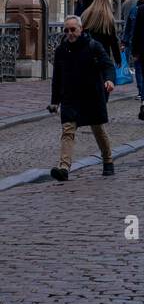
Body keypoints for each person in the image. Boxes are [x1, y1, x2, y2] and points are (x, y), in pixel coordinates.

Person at [47, 15, 116, 180]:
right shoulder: (61, 50)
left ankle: (108, 160)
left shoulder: (93, 46)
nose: (69, 33)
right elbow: (57, 78)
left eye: (73, 29)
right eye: (66, 30)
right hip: (70, 96)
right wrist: (55, 101)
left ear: (81, 29)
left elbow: (108, 64)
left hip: (92, 94)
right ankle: (64, 167)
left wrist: (109, 80)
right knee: (67, 130)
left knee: (98, 130)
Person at [122, 0, 144, 103]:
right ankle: (140, 90)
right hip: (135, 42)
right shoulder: (134, 10)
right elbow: (128, 27)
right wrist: (124, 41)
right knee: (138, 67)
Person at [80, 0, 122, 67]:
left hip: (87, 51)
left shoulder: (86, 15)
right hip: (104, 53)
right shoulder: (108, 18)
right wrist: (118, 59)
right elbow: (113, 41)